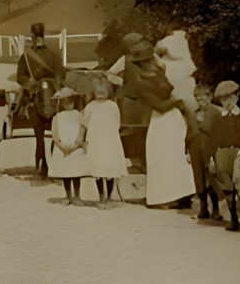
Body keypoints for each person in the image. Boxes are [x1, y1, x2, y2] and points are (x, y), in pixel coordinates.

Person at [125, 39, 197, 208]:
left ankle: (179, 196)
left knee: (171, 156)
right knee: (162, 155)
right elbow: (160, 104)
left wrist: (176, 101)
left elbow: (167, 94)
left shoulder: (157, 72)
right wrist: (177, 101)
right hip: (163, 116)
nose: (151, 62)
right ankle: (166, 197)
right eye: (147, 60)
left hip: (169, 119)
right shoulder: (142, 80)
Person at [16, 22, 63, 178]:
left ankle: (43, 159)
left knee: (40, 134)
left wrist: (32, 84)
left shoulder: (29, 56)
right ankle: (45, 159)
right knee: (51, 132)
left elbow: (20, 77)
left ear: (33, 36)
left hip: (44, 94)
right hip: (42, 93)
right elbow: (60, 76)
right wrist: (31, 83)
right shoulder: (48, 55)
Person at [204, 80, 240, 231]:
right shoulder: (217, 118)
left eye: (230, 98)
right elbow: (211, 139)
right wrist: (210, 157)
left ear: (237, 97)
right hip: (222, 153)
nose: (227, 102)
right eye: (224, 99)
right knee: (228, 188)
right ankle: (234, 219)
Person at [109, 33, 151, 173]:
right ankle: (134, 162)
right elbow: (110, 74)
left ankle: (146, 163)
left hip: (146, 100)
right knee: (131, 132)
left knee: (147, 131)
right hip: (130, 102)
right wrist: (124, 83)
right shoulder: (124, 59)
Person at [82, 76, 126, 209]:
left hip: (110, 140)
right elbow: (85, 123)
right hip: (95, 140)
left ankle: (108, 197)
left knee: (110, 169)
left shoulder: (113, 106)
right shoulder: (90, 107)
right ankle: (101, 197)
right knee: (98, 170)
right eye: (98, 94)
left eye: (103, 94)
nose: (100, 97)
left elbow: (117, 124)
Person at [47, 88, 88, 205]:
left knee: (76, 174)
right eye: (65, 102)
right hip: (63, 148)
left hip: (75, 147)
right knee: (66, 174)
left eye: (70, 101)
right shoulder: (57, 117)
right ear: (61, 104)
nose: (68, 104)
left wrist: (77, 144)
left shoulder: (79, 115)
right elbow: (55, 134)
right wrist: (62, 146)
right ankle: (68, 195)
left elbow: (82, 129)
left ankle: (77, 196)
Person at [189, 83, 222, 220]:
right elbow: (189, 133)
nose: (200, 102)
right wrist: (186, 151)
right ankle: (203, 208)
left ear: (209, 97)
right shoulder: (194, 113)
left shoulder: (217, 112)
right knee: (198, 178)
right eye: (198, 99)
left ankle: (215, 209)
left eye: (202, 99)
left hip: (210, 148)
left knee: (211, 178)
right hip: (195, 148)